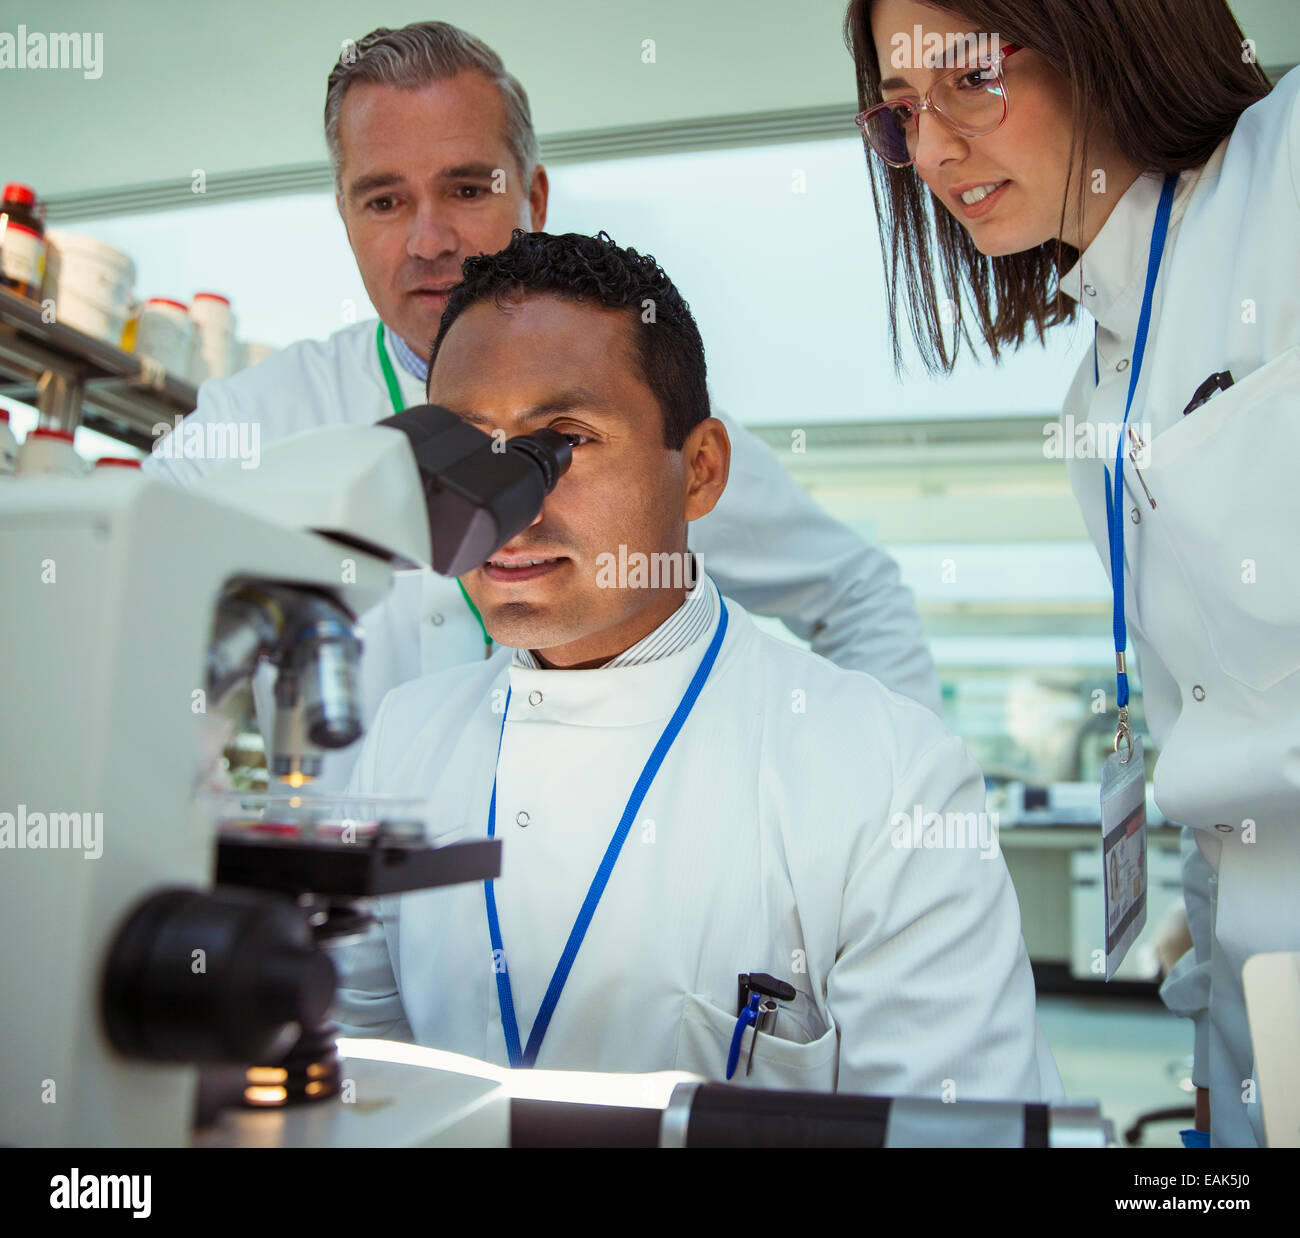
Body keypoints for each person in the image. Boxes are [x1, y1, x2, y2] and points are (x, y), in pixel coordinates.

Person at [330, 229, 1060, 1099]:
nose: (504, 507)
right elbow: (360, 1087)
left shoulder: (888, 777)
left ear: (702, 470)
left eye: (561, 441)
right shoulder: (403, 744)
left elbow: (953, 1134)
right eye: (467, 450)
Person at [144, 20, 941, 794]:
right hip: (346, 913)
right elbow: (134, 643)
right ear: (346, 217)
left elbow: (857, 595)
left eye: (464, 188)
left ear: (534, 194)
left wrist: (878, 813)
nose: (428, 239)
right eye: (383, 201)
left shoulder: (637, 439)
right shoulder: (249, 427)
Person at [845, 0, 1298, 1146]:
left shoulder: (1284, 176)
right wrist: (1211, 1044)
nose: (935, 150)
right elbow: (1214, 783)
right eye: (902, 114)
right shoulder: (1095, 398)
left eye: (968, 80)